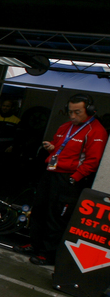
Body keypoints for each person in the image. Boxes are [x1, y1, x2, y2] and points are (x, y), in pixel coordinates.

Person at [27, 94, 107, 266]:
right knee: (39, 210)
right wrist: (52, 148)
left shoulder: (96, 131)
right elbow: (59, 148)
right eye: (70, 112)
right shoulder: (65, 126)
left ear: (90, 111)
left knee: (56, 217)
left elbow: (93, 161)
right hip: (51, 173)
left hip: (68, 180)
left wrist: (74, 178)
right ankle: (34, 245)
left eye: (77, 112)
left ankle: (47, 254)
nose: (72, 116)